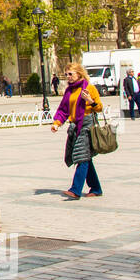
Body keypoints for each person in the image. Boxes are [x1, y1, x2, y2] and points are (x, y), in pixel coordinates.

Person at [51, 62, 104, 199]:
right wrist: (57, 123)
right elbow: (63, 109)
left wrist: (90, 101)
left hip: (87, 125)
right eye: (66, 74)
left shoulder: (89, 88)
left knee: (82, 156)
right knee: (85, 157)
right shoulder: (69, 91)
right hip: (75, 126)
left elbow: (99, 108)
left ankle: (75, 190)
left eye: (70, 74)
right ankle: (96, 188)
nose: (68, 77)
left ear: (79, 74)